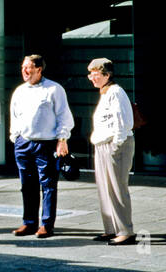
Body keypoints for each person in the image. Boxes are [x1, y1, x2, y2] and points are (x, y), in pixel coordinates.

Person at [8, 54, 74, 238]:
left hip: (46, 144)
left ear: (39, 69)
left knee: (48, 184)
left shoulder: (54, 89)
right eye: (22, 67)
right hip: (23, 143)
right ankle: (29, 223)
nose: (24, 71)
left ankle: (46, 224)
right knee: (26, 184)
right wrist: (16, 137)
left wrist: (62, 139)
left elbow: (64, 116)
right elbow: (14, 116)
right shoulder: (19, 91)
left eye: (28, 67)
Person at [87, 58, 136, 245]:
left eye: (95, 73)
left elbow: (122, 121)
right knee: (105, 189)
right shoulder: (105, 92)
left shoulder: (116, 92)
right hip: (102, 145)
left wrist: (117, 144)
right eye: (90, 73)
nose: (91, 77)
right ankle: (111, 229)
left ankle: (126, 231)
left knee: (117, 188)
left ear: (107, 74)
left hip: (115, 145)